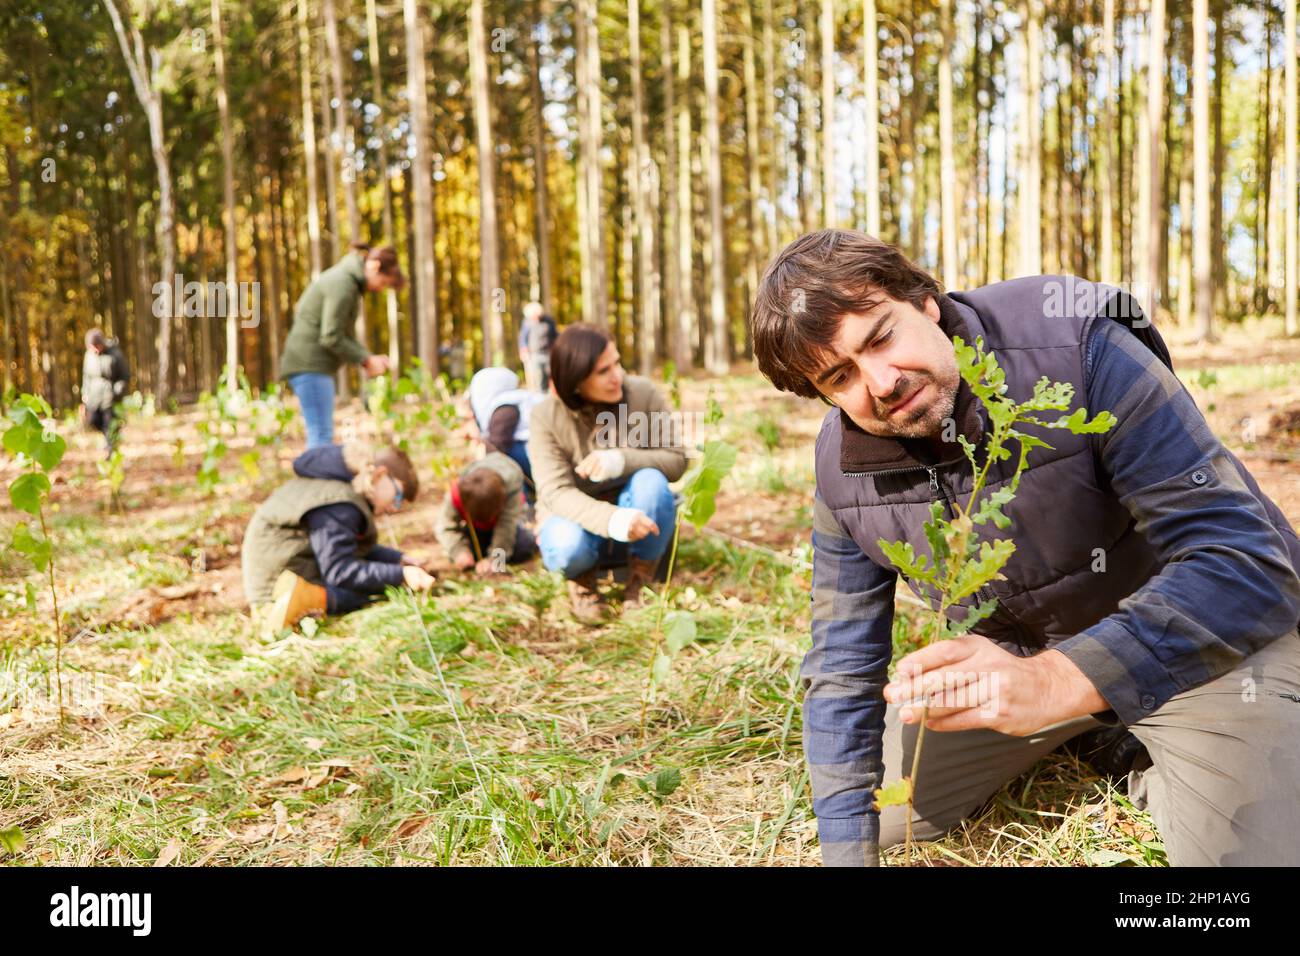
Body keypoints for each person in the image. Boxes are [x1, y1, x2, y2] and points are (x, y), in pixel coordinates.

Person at [749, 227, 1300, 866]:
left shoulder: (1081, 347)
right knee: (881, 811)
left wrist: (1058, 680)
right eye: (840, 376)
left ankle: (1159, 746)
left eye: (880, 336)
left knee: (1246, 864)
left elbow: (1245, 561)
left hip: (1198, 640)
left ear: (924, 303)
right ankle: (1105, 739)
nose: (881, 381)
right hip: (1024, 659)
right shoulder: (841, 467)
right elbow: (843, 663)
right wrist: (846, 854)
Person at [530, 323, 687, 621]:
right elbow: (555, 492)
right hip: (578, 520)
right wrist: (611, 519)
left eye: (617, 363)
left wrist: (622, 460)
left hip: (637, 512)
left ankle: (640, 581)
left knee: (651, 483)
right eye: (604, 371)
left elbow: (677, 460)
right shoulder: (545, 417)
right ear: (575, 380)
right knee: (565, 545)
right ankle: (583, 583)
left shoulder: (643, 395)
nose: (617, 376)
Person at [241, 441, 435, 634]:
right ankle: (301, 601)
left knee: (371, 584)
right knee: (363, 595)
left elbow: (346, 547)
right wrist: (400, 575)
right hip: (274, 587)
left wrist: (397, 559)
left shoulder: (341, 488)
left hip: (289, 563)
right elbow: (340, 571)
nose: (395, 508)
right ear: (380, 474)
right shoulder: (340, 504)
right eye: (398, 496)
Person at [280, 242, 404, 447]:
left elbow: (337, 332)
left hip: (312, 365)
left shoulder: (346, 282)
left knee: (321, 435)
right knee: (321, 437)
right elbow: (330, 335)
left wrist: (367, 356)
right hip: (310, 365)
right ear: (373, 266)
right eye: (383, 282)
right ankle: (316, 478)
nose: (380, 289)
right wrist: (365, 360)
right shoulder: (343, 284)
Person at [435, 451, 538, 576]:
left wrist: (495, 562)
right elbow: (445, 526)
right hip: (476, 532)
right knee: (465, 551)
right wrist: (459, 552)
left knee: (523, 546)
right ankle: (478, 555)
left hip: (509, 528)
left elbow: (506, 527)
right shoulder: (460, 491)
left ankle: (490, 555)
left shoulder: (511, 486)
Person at [466, 367, 546, 504]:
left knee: (502, 460)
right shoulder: (517, 399)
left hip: (543, 458)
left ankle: (521, 503)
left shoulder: (505, 407)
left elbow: (497, 446)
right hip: (540, 456)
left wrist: (480, 454)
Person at [81, 328, 131, 456]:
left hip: (110, 397)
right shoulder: (89, 356)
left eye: (97, 346)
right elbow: (86, 376)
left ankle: (111, 452)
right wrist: (84, 393)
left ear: (102, 343)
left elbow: (125, 375)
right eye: (92, 347)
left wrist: (117, 390)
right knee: (93, 422)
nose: (95, 350)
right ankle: (108, 440)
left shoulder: (115, 353)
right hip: (94, 397)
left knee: (109, 425)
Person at [518, 302, 558, 391]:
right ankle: (540, 393)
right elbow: (523, 338)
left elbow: (555, 335)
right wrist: (523, 350)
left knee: (550, 373)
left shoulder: (549, 321)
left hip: (548, 352)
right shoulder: (527, 323)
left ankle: (550, 392)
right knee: (538, 375)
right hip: (534, 353)